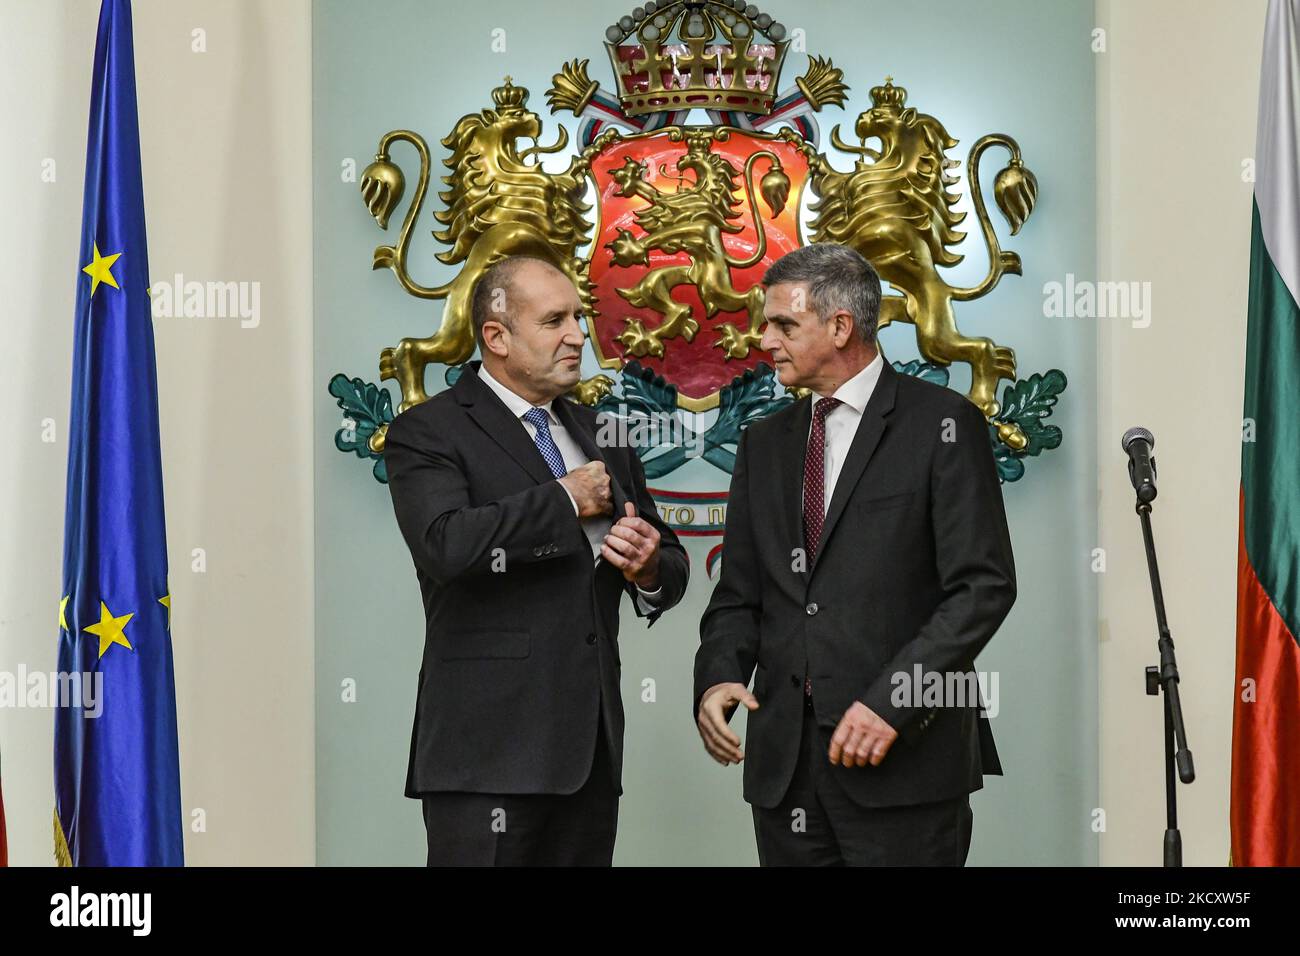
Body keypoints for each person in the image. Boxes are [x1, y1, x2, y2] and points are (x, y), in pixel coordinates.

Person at [694, 243, 1016, 866]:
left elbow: (982, 587)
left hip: (905, 759)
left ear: (840, 326)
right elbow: (738, 596)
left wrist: (893, 699)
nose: (765, 340)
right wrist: (718, 675)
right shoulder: (764, 443)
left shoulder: (943, 425)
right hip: (785, 769)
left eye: (783, 324)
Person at [385, 254, 689, 866]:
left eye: (578, 316)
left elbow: (669, 562)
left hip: (590, 756)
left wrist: (648, 566)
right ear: (496, 337)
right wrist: (562, 500)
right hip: (485, 757)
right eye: (555, 321)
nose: (579, 334)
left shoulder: (606, 434)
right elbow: (447, 544)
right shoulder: (429, 431)